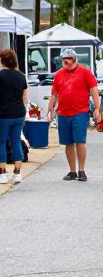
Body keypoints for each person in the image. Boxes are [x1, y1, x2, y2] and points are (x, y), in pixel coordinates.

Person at [46, 48, 102, 182]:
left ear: (75, 59)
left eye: (70, 58)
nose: (67, 62)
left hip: (80, 112)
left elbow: (94, 90)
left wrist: (97, 108)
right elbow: (54, 94)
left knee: (80, 141)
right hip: (63, 113)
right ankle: (72, 171)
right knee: (68, 143)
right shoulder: (59, 74)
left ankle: (81, 170)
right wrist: (50, 110)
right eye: (64, 59)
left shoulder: (85, 73)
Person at [0, 49, 28, 184]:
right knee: (15, 141)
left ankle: (2, 173)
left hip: (3, 115)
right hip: (19, 114)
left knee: (1, 142)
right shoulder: (21, 76)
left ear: (2, 60)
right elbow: (25, 98)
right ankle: (17, 172)